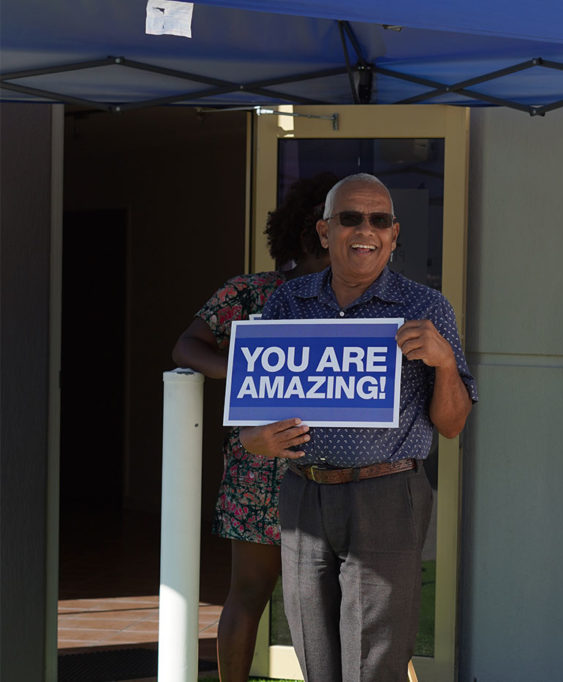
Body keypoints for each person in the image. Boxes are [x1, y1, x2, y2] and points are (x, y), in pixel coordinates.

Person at [239, 172, 477, 680]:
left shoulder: (427, 308)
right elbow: (252, 415)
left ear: (394, 234)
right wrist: (255, 440)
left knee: (375, 666)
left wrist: (444, 364)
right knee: (314, 657)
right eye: (350, 218)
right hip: (304, 495)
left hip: (387, 495)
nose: (365, 230)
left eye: (379, 220)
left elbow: (453, 426)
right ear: (325, 232)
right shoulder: (289, 303)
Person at [171, 172, 336, 681]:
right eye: (340, 224)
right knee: (256, 593)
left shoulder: (345, 301)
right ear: (316, 230)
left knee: (333, 597)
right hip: (269, 464)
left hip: (322, 466)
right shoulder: (252, 292)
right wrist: (245, 370)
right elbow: (186, 347)